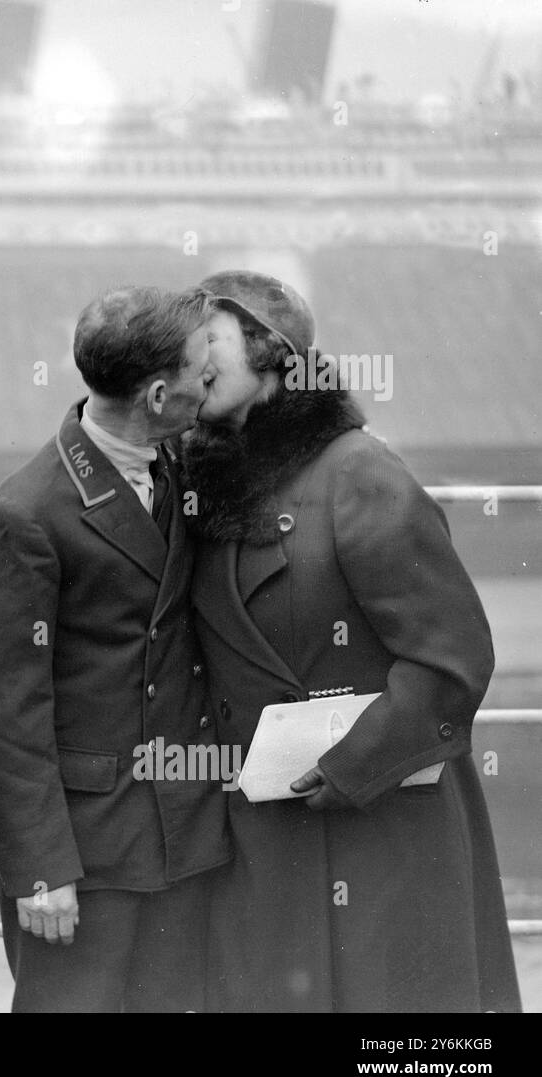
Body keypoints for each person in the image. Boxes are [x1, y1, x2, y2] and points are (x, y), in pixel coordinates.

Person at [181, 269, 521, 1012]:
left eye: (210, 339)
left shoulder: (362, 475)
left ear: (273, 353)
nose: (191, 359)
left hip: (383, 819)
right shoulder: (210, 483)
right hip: (264, 829)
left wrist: (353, 765)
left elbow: (452, 659)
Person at [0, 286, 232, 1013]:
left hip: (188, 838)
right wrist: (39, 869)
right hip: (87, 857)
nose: (214, 379)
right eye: (204, 367)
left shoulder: (180, 462)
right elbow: (0, 712)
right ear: (157, 392)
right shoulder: (27, 513)